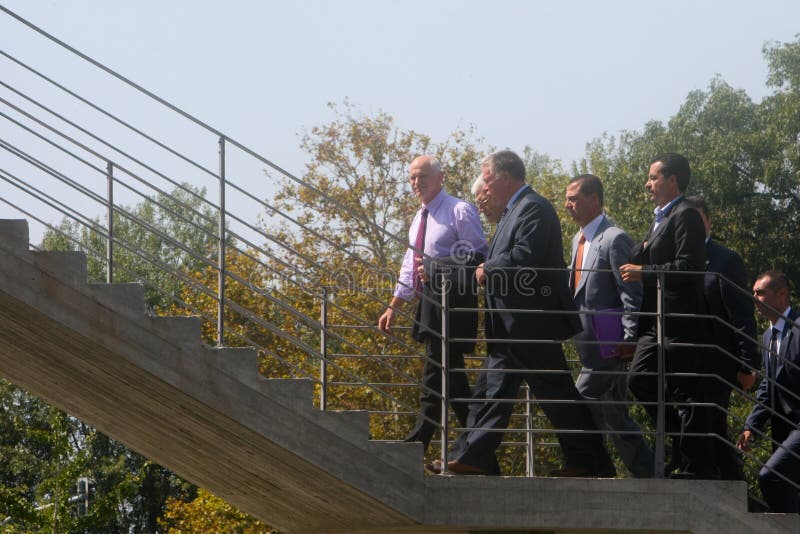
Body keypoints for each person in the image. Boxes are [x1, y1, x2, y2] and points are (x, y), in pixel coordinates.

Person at [440, 150, 614, 477]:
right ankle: (471, 457)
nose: (485, 187)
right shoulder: (514, 211)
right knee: (493, 391)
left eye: (488, 179)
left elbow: (525, 258)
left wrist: (488, 269)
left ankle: (591, 462)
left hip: (530, 323)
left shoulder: (534, 208)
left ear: (506, 177)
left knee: (555, 395)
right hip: (512, 326)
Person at [378, 155, 487, 453]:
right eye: (412, 177)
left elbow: (479, 257)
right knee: (449, 378)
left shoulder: (459, 211)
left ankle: (421, 441)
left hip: (454, 305)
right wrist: (393, 306)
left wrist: (438, 266)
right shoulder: (419, 217)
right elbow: (408, 266)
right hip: (429, 304)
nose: (416, 182)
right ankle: (477, 449)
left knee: (438, 373)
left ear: (441, 177)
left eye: (422, 176)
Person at [620, 152, 715, 478]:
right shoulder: (663, 216)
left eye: (653, 177)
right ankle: (680, 443)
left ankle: (694, 464)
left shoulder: (686, 213)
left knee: (686, 393)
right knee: (639, 379)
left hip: (680, 320)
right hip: (655, 322)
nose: (648, 184)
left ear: (672, 180)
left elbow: (689, 268)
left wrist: (644, 271)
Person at [565, 174, 654, 478]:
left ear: (594, 199)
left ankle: (588, 465)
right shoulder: (577, 239)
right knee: (614, 415)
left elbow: (631, 292)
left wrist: (629, 336)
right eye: (567, 199)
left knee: (578, 400)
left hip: (610, 344)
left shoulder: (614, 238)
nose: (568, 205)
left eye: (574, 198)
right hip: (586, 344)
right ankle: (649, 474)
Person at [685, 196, 759, 481]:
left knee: (699, 419)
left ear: (708, 222)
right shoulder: (676, 259)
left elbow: (742, 314)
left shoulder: (725, 260)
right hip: (686, 360)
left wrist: (747, 364)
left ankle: (695, 473)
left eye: (697, 219)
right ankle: (739, 493)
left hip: (718, 361)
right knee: (714, 430)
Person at [738, 271, 800, 513]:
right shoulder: (768, 336)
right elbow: (768, 385)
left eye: (760, 293)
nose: (754, 298)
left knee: (770, 476)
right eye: (753, 292)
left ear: (782, 294)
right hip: (783, 428)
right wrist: (750, 426)